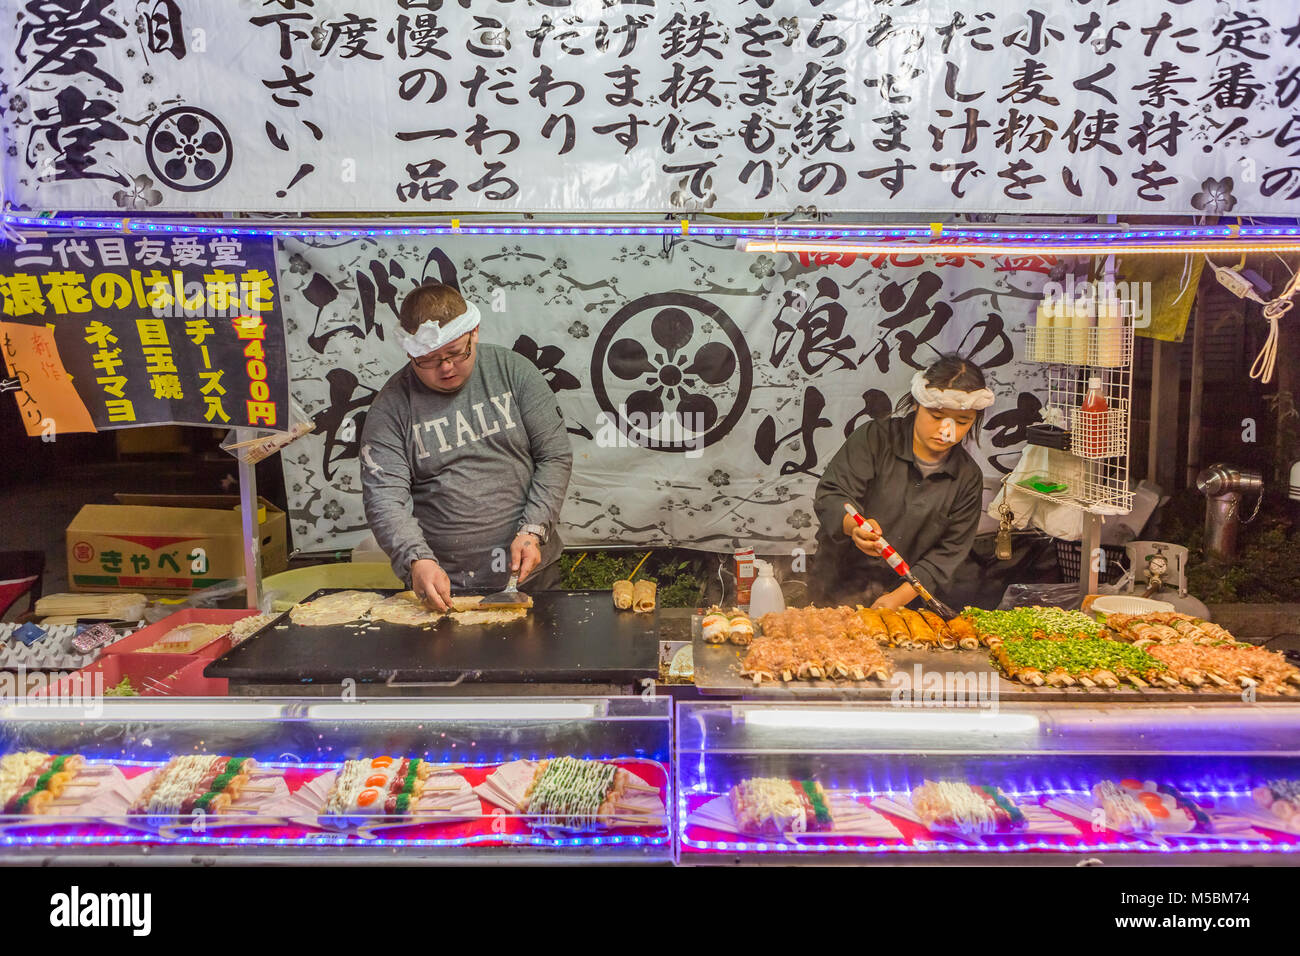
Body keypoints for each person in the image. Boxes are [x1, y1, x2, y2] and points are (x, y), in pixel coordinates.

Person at [360, 282, 573, 611]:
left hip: (531, 577)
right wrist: (416, 559)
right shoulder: (391, 408)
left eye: (457, 353)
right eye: (428, 360)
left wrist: (534, 528)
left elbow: (554, 455)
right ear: (409, 353)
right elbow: (385, 497)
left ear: (474, 332)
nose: (446, 367)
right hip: (443, 587)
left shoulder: (513, 371)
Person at [812, 354, 992, 609]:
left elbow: (948, 552)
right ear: (918, 404)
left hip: (907, 601)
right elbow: (832, 495)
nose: (946, 430)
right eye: (937, 416)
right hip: (838, 586)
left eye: (962, 421)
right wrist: (854, 527)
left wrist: (897, 599)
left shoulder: (967, 477)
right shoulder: (874, 439)